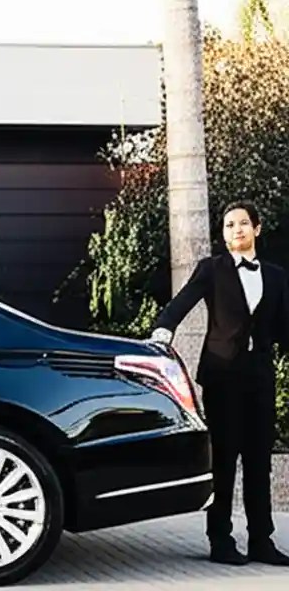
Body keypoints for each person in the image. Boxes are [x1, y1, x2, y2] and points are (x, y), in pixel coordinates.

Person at [149, 200, 289, 565]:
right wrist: (163, 331)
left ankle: (262, 541)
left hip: (260, 378)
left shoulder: (276, 276)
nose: (236, 230)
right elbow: (180, 303)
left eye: (243, 224)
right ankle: (221, 540)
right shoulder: (212, 269)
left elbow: (284, 329)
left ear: (256, 229)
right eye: (229, 225)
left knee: (260, 461)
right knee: (224, 459)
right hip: (222, 376)